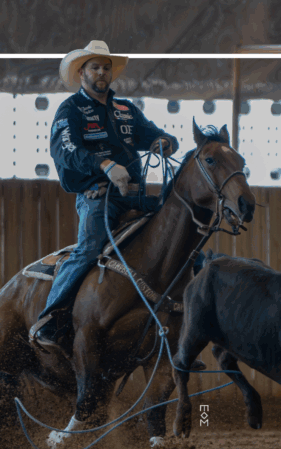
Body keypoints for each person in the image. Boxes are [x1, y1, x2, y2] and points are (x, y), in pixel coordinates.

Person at [32, 40, 178, 355]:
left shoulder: (126, 109)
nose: (102, 72)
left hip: (136, 196)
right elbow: (65, 151)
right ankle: (50, 320)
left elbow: (153, 135)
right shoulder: (70, 110)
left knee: (177, 230)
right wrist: (106, 165)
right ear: (82, 72)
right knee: (88, 250)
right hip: (98, 198)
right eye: (95, 66)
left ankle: (186, 319)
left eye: (106, 66)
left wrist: (165, 143)